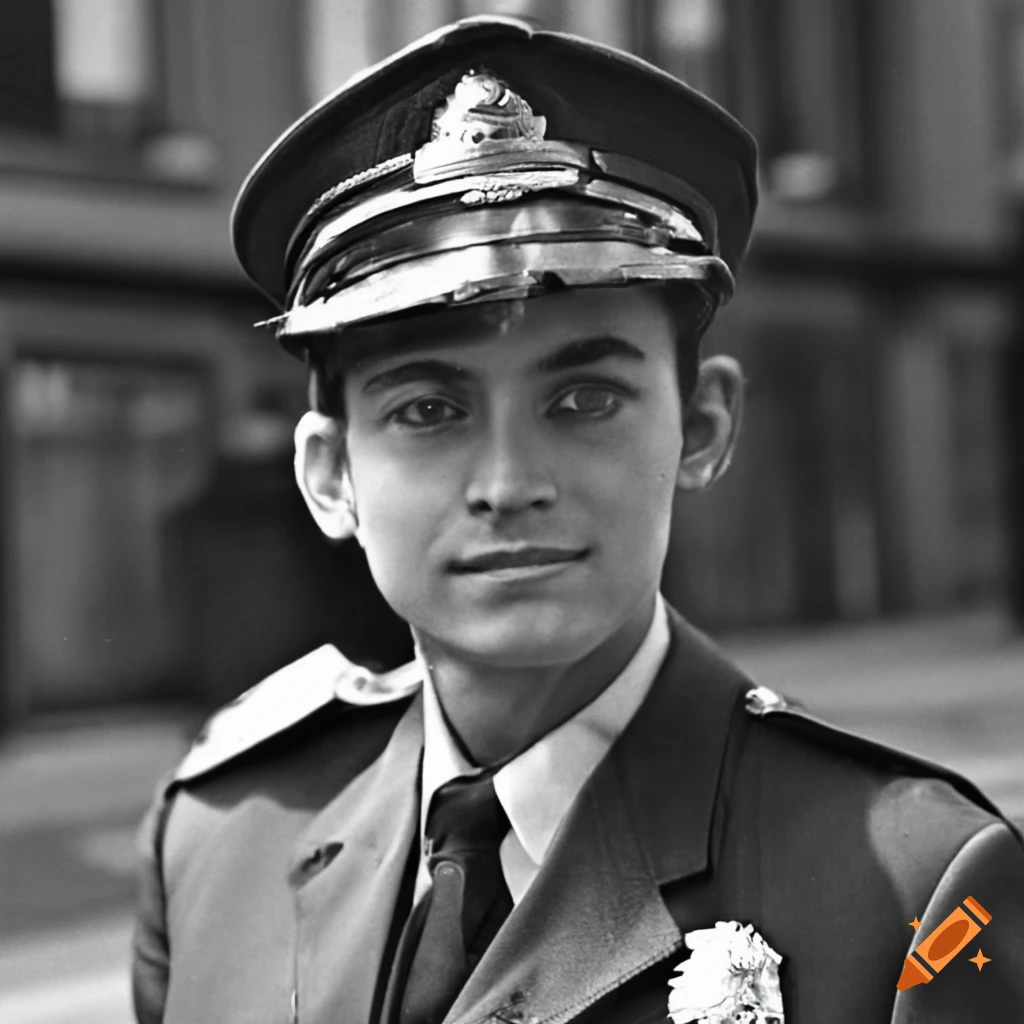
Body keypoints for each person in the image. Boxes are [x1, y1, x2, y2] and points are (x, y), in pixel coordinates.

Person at [132, 16, 1024, 1024]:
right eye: (429, 411)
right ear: (331, 474)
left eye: (582, 401)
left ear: (700, 426)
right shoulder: (218, 839)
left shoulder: (905, 887)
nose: (509, 482)